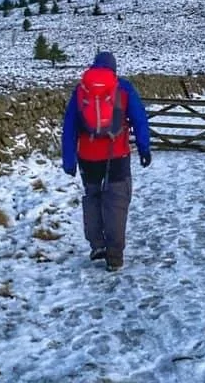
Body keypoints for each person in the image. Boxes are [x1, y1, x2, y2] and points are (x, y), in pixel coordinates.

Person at [61, 51, 151, 271]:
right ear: (114, 68)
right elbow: (139, 118)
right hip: (117, 155)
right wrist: (144, 147)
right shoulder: (123, 88)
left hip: (88, 158)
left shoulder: (82, 90)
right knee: (117, 204)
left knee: (93, 199)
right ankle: (115, 257)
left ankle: (97, 244)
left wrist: (69, 160)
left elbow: (69, 126)